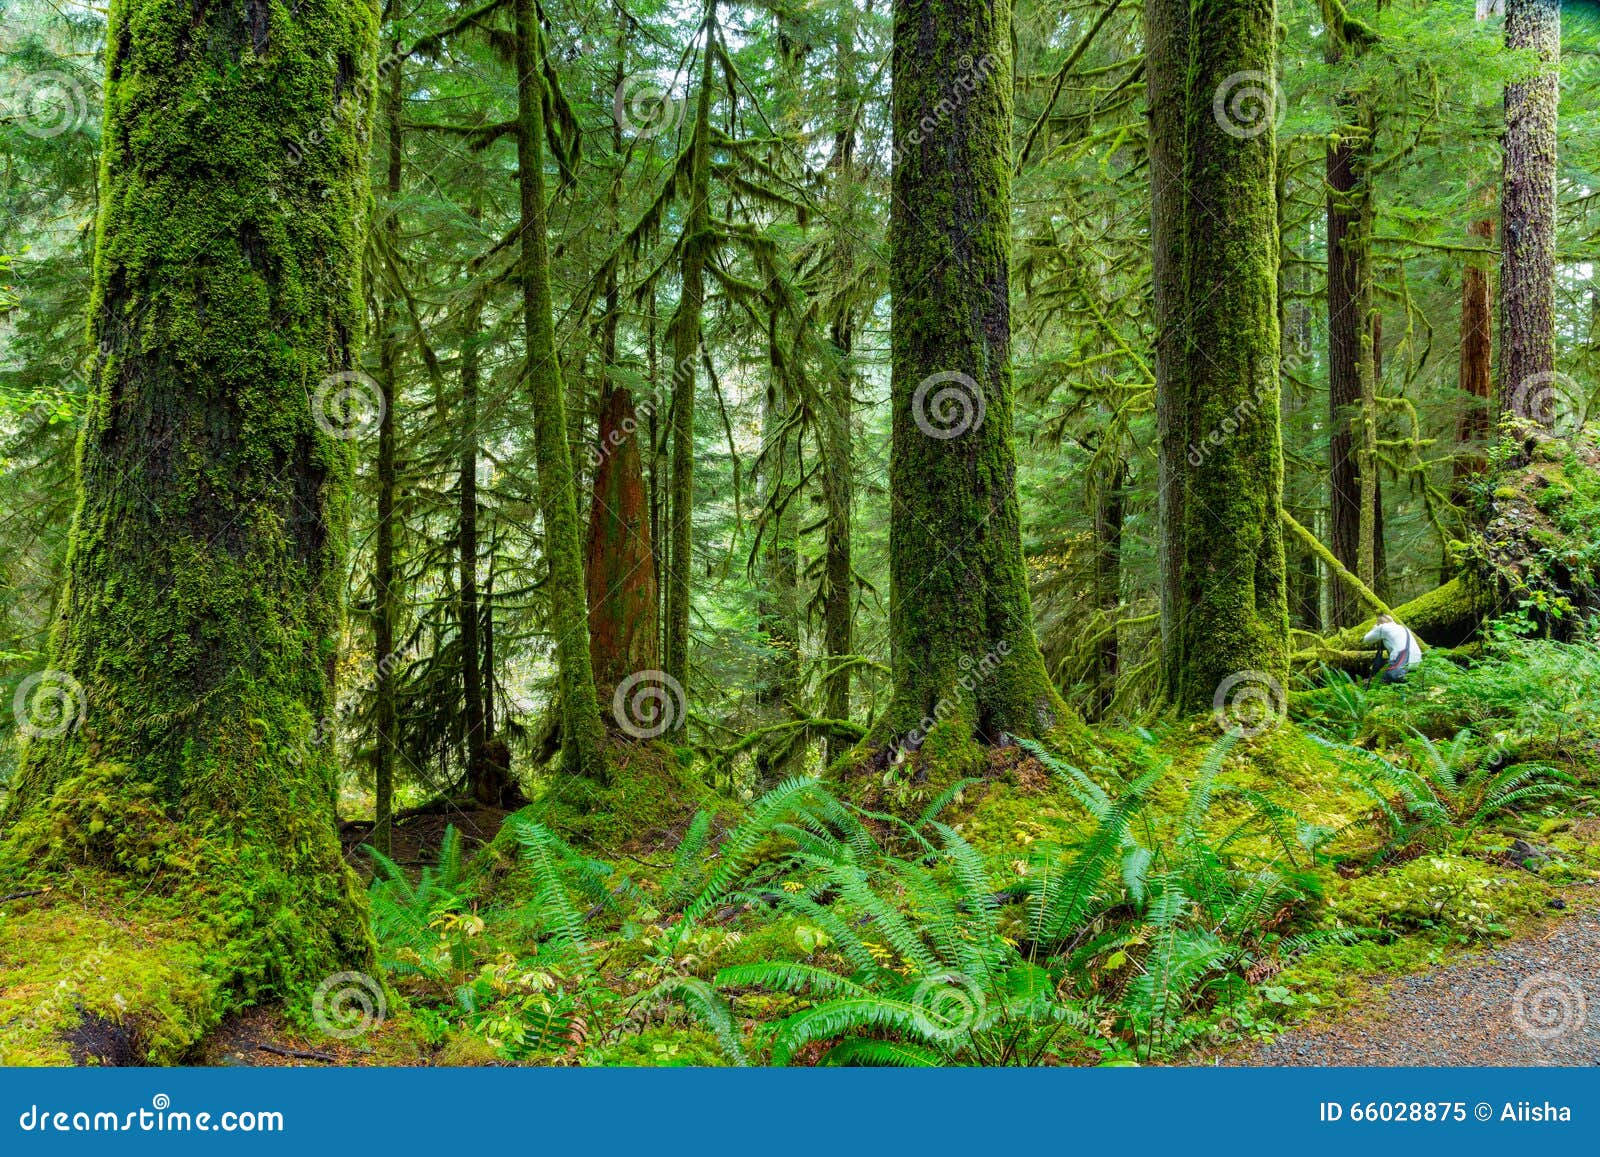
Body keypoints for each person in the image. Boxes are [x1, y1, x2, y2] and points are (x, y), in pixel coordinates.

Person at [1362, 612, 1423, 684]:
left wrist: (1374, 629)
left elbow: (1366, 640)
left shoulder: (1383, 627)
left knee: (1385, 680)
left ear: (1380, 624)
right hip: (1417, 661)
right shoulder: (1403, 628)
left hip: (1401, 663)